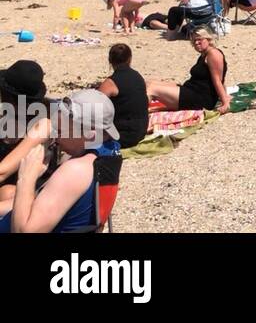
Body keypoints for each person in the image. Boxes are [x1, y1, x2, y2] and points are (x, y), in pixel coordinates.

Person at [0, 89, 121, 233]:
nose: (55, 136)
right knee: (7, 192)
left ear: (90, 134)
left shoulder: (75, 171)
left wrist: (26, 177)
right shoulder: (110, 152)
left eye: (60, 130)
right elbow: (43, 203)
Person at [0, 60, 51, 208]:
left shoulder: (42, 126)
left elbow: (3, 171)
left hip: (26, 194)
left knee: (8, 192)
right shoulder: (8, 119)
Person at [146, 29, 231, 114]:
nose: (196, 43)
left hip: (200, 98)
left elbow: (218, 80)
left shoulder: (214, 54)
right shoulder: (204, 54)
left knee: (152, 89)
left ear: (208, 39)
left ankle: (137, 114)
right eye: (194, 41)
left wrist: (225, 102)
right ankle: (138, 107)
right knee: (149, 83)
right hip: (191, 90)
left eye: (199, 39)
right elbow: (219, 78)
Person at [96, 44, 148, 149]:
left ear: (110, 60)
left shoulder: (111, 82)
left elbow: (94, 107)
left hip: (123, 135)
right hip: (141, 130)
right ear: (130, 59)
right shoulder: (138, 76)